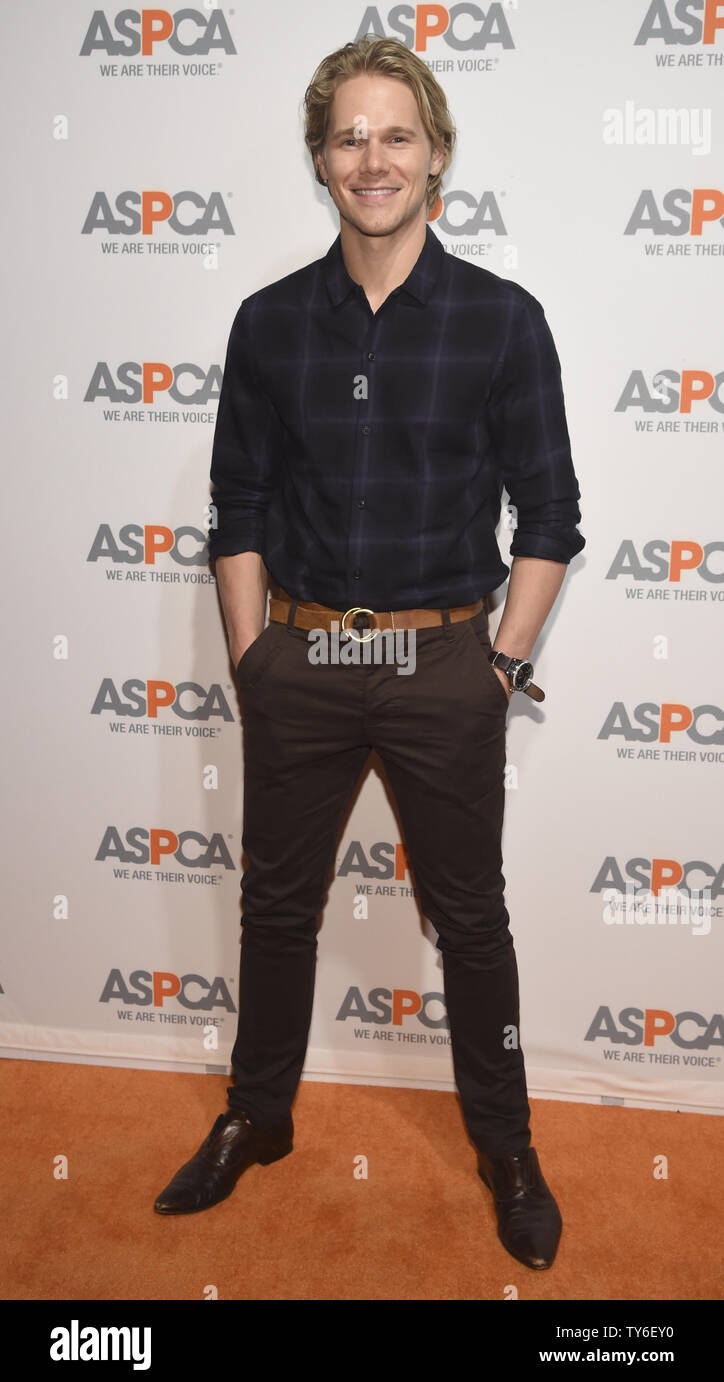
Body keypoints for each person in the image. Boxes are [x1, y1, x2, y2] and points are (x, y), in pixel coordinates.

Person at [154, 35, 585, 1272]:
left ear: (436, 155)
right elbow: (238, 507)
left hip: (445, 671)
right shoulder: (269, 323)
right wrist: (253, 661)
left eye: (396, 134)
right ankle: (258, 1113)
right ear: (320, 160)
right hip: (298, 665)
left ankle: (505, 1145)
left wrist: (496, 668)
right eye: (349, 136)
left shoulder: (503, 321)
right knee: (275, 907)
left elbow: (549, 516)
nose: (372, 157)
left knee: (472, 920)